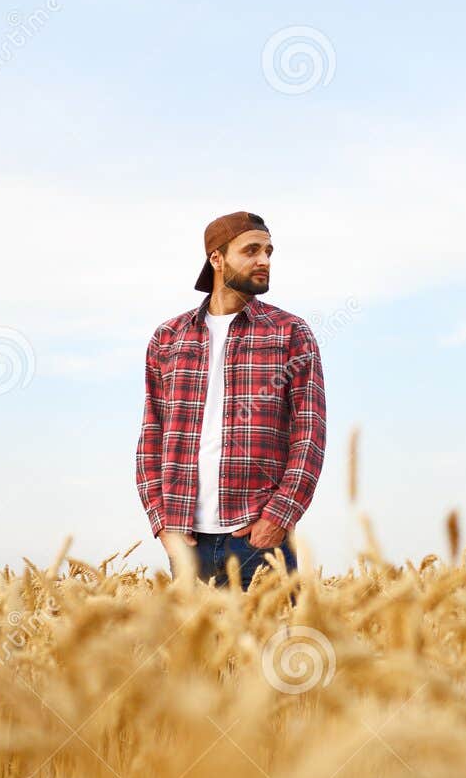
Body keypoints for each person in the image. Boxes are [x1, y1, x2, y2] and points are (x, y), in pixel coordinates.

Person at [135, 211, 327, 589]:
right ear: (217, 259)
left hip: (259, 539)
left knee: (272, 646)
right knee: (199, 651)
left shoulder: (290, 333)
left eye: (269, 251)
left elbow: (310, 434)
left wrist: (280, 515)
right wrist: (163, 525)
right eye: (251, 250)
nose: (264, 261)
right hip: (188, 541)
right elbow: (150, 436)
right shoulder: (168, 338)